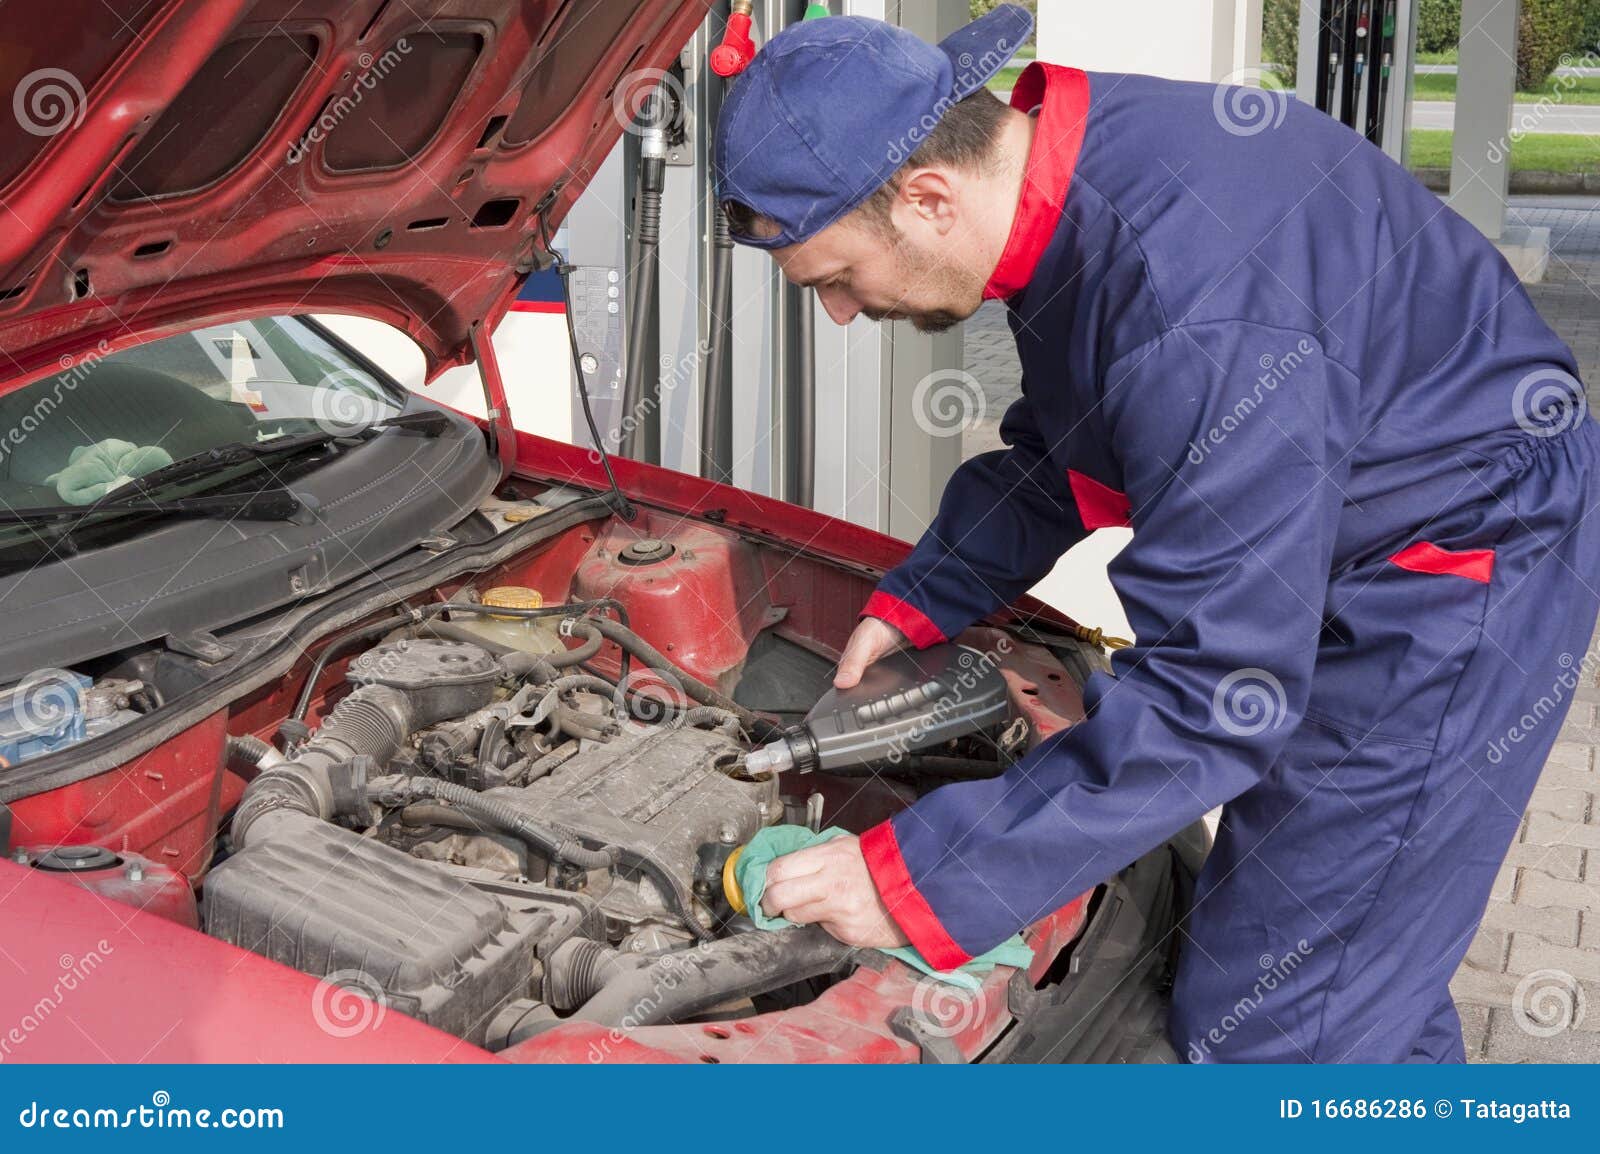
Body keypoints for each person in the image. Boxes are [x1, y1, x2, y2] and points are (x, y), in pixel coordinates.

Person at [712, 6, 1600, 1062]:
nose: (844, 315)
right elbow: (1077, 444)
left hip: (1455, 566)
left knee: (1276, 1021)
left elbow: (1218, 694)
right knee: (1356, 962)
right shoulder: (1071, 182)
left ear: (929, 195)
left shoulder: (1195, 307)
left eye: (835, 279)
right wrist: (928, 591)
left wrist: (911, 878)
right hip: (1356, 522)